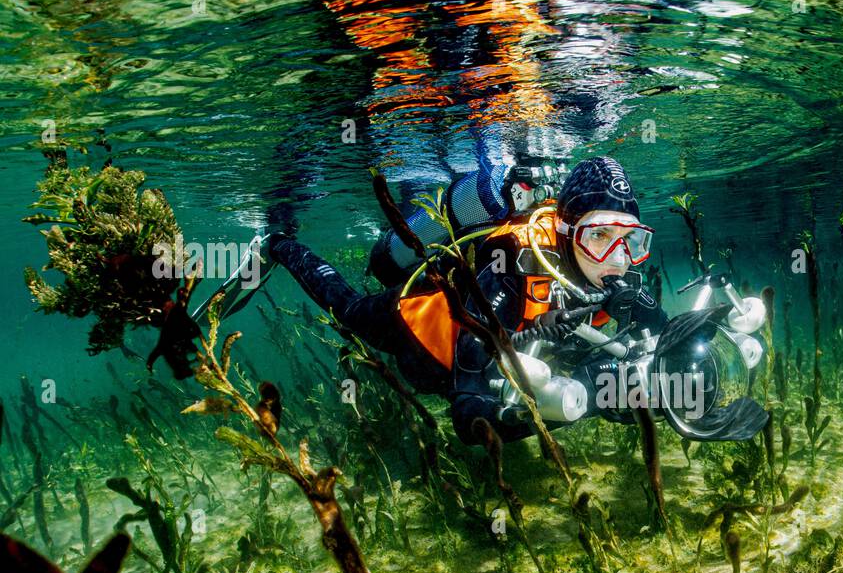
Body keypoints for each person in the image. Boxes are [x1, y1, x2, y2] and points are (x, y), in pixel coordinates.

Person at [263, 156, 669, 445]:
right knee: (349, 310)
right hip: (418, 337)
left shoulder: (612, 277)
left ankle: (412, 201)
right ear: (566, 231)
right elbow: (469, 415)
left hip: (493, 345)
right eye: (598, 236)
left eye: (630, 239)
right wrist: (590, 395)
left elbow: (664, 345)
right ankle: (279, 244)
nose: (618, 258)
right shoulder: (513, 265)